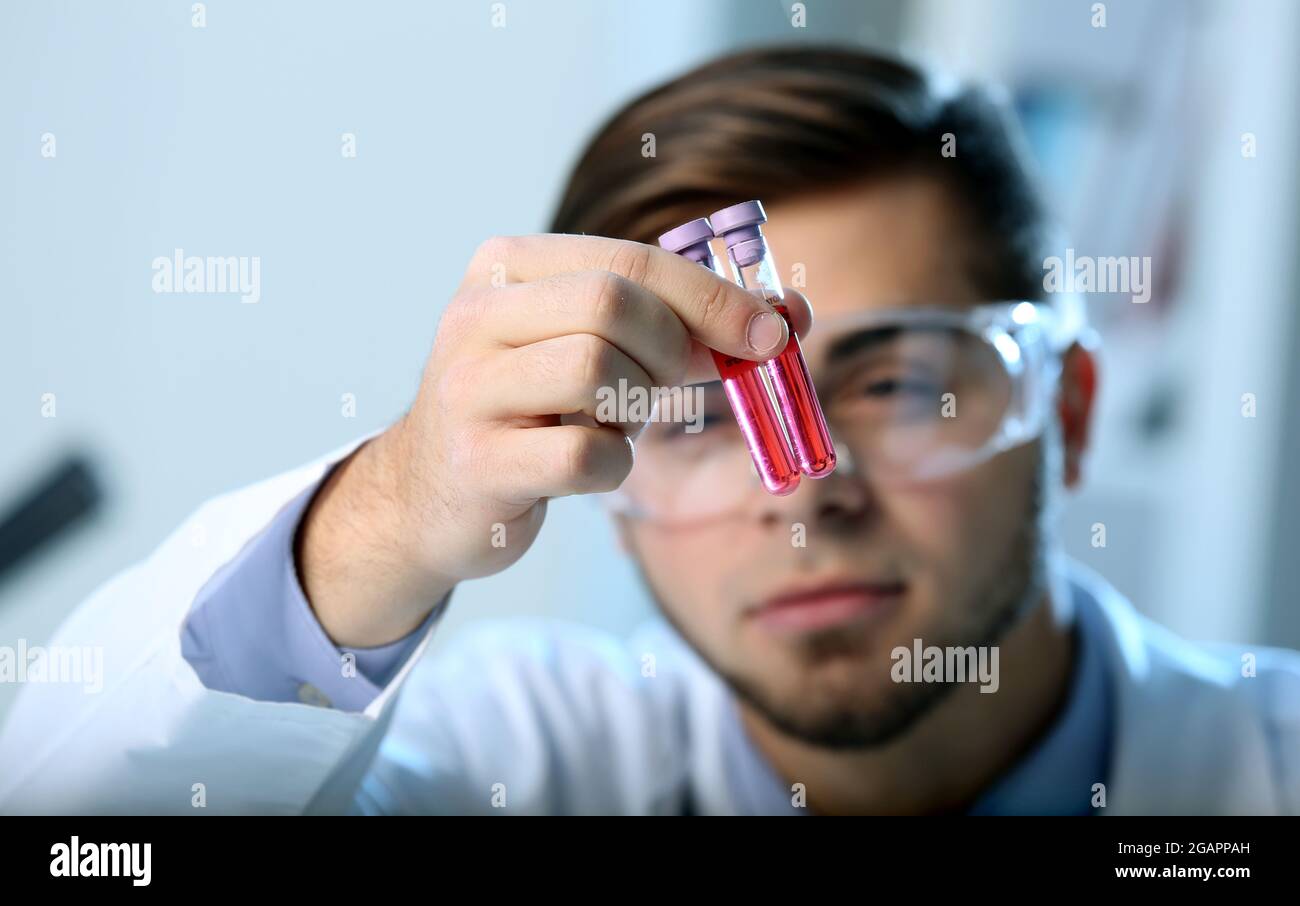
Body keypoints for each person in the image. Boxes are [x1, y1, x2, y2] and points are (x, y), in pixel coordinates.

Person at [1, 46, 1296, 816]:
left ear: (1066, 411)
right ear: (606, 485)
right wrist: (393, 508)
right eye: (693, 415)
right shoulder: (517, 763)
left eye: (903, 385)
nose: (806, 494)